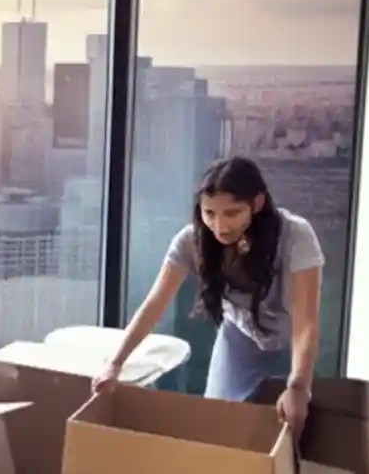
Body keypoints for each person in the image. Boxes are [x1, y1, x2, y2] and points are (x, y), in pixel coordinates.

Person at [93, 155, 324, 437]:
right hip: (240, 336)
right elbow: (155, 304)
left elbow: (305, 322)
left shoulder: (296, 235)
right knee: (215, 426)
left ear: (258, 203)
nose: (220, 226)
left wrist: (298, 385)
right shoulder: (191, 241)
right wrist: (115, 363)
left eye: (233, 212)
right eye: (209, 213)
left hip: (293, 342)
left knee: (297, 425)